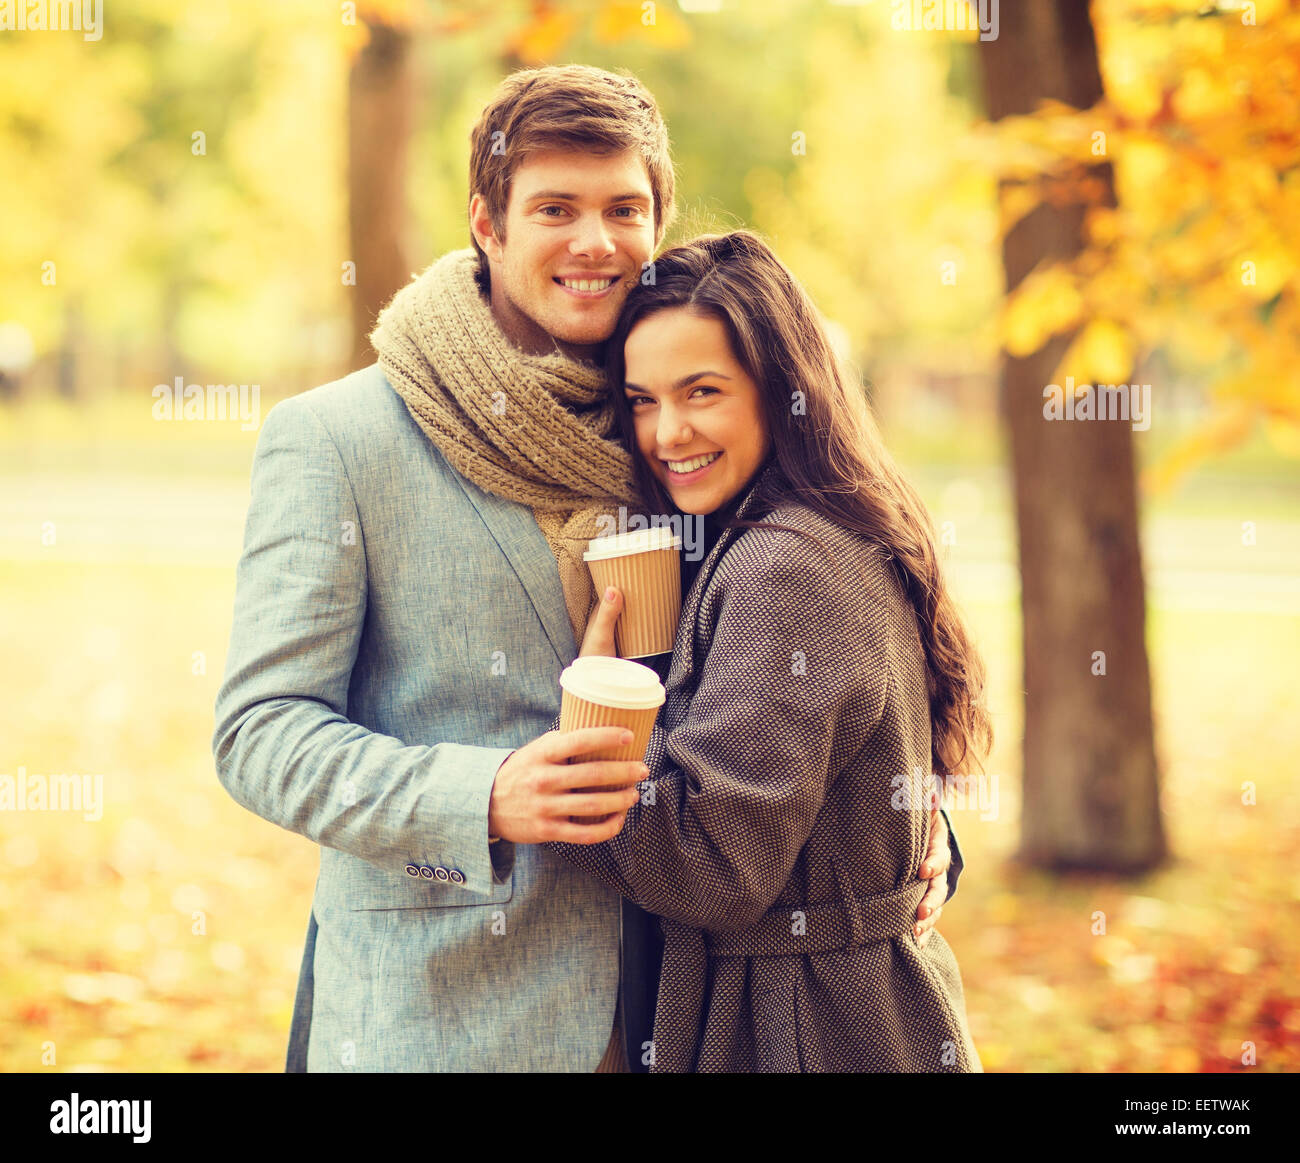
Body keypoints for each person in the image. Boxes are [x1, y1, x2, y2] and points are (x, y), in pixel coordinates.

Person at [212, 64, 961, 1073]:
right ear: (487, 223)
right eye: (554, 208)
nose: (593, 241)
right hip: (443, 1014)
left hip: (681, 1005)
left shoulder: (677, 417)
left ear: (658, 218)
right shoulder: (340, 439)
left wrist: (900, 839)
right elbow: (260, 732)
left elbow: (791, 681)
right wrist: (482, 794)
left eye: (622, 207)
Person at [546, 229, 990, 1072]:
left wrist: (586, 734)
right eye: (642, 400)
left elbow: (714, 867)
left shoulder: (781, 564)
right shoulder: (826, 523)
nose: (667, 432)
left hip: (803, 1028)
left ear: (781, 388)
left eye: (701, 391)